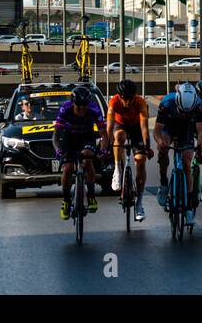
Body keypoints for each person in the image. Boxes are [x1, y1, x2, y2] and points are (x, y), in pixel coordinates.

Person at [153, 82, 202, 226]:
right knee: (163, 149)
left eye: (187, 112)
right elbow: (157, 129)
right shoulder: (167, 102)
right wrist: (159, 142)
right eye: (182, 111)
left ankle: (189, 207)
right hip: (169, 127)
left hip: (187, 129)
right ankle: (164, 183)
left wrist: (199, 150)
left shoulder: (198, 104)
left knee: (186, 162)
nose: (184, 114)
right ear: (177, 101)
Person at [53, 85, 108, 220]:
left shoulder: (94, 108)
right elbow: (56, 135)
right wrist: (58, 150)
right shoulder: (65, 108)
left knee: (88, 160)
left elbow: (104, 135)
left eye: (84, 105)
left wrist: (103, 150)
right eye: (79, 105)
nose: (82, 108)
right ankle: (66, 200)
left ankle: (91, 196)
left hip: (86, 137)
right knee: (68, 168)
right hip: (69, 137)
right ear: (73, 103)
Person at [106, 78, 150, 221]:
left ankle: (139, 203)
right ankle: (117, 170)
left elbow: (144, 127)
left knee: (140, 161)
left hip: (136, 127)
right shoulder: (114, 102)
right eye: (125, 98)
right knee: (119, 137)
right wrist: (107, 143)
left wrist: (147, 146)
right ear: (120, 96)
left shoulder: (140, 102)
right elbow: (110, 126)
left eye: (131, 98)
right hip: (121, 125)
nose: (128, 102)